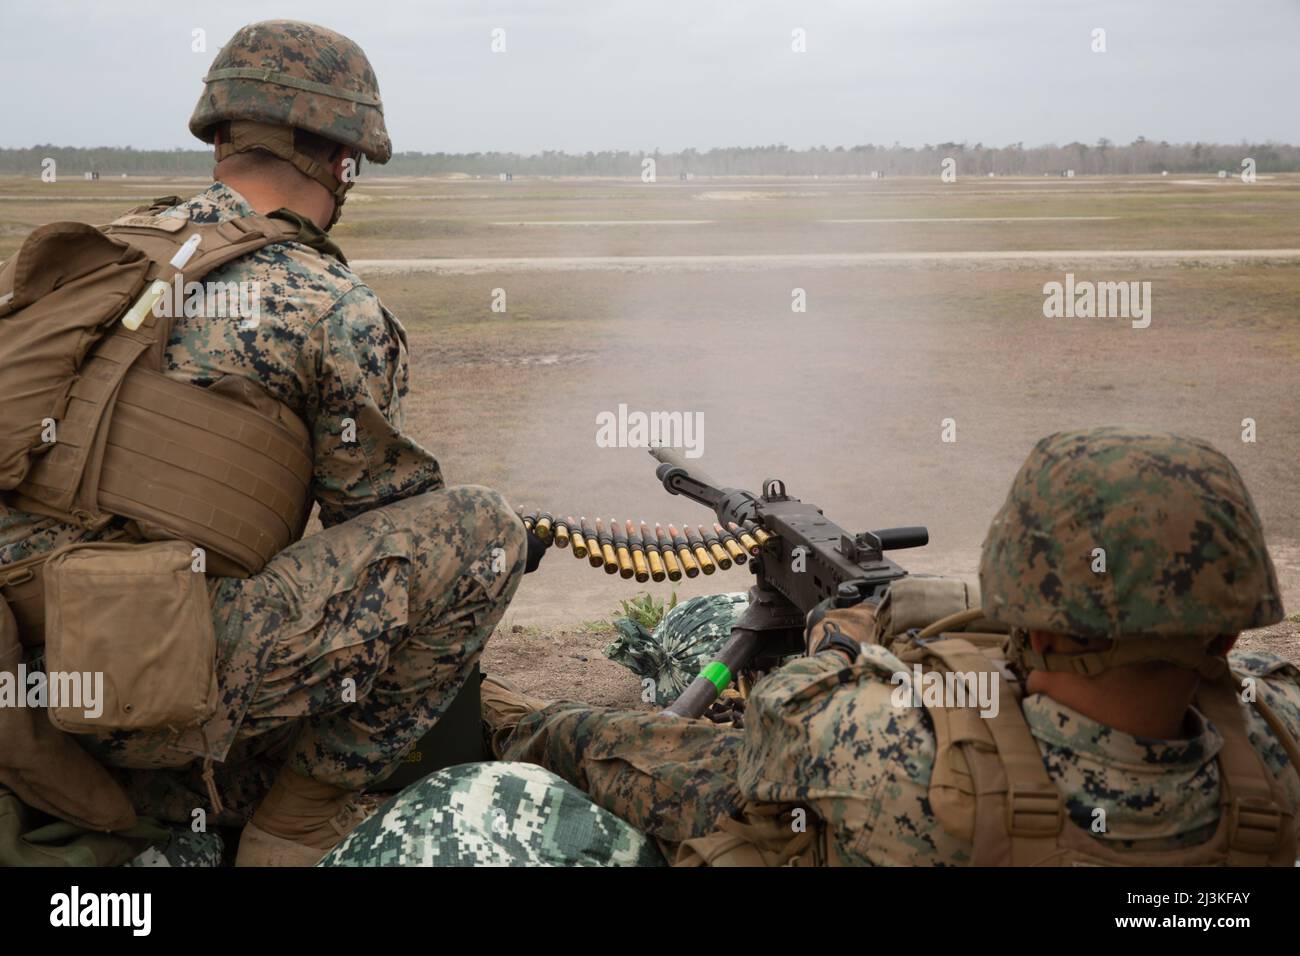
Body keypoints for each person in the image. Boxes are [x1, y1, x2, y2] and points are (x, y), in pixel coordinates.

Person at [0, 20, 536, 866]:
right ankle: (295, 827)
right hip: (135, 687)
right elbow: (385, 526)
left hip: (19, 692)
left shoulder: (99, 256)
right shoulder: (330, 303)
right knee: (482, 538)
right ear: (342, 159)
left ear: (219, 136)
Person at [483, 427, 1299, 865]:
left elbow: (772, 727)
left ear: (1032, 615)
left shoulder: (883, 754)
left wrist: (840, 642)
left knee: (594, 739)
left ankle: (488, 722)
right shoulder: (1280, 742)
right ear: (1228, 623)